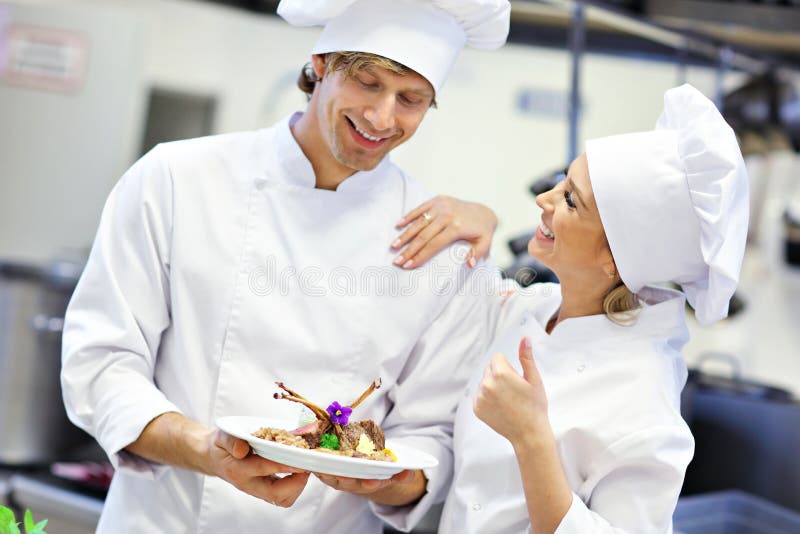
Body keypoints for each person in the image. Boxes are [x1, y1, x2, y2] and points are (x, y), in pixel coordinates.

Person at [60, 1, 510, 532]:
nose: (383, 118)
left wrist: (385, 476)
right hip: (167, 521)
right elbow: (103, 365)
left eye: (412, 99)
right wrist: (206, 450)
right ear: (320, 63)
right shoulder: (176, 180)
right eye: (367, 83)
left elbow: (431, 434)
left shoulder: (446, 249)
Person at [396, 84, 749, 532]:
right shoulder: (533, 311)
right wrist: (476, 218)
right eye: (563, 182)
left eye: (569, 199)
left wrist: (531, 439)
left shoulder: (645, 397)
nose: (543, 200)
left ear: (614, 258)